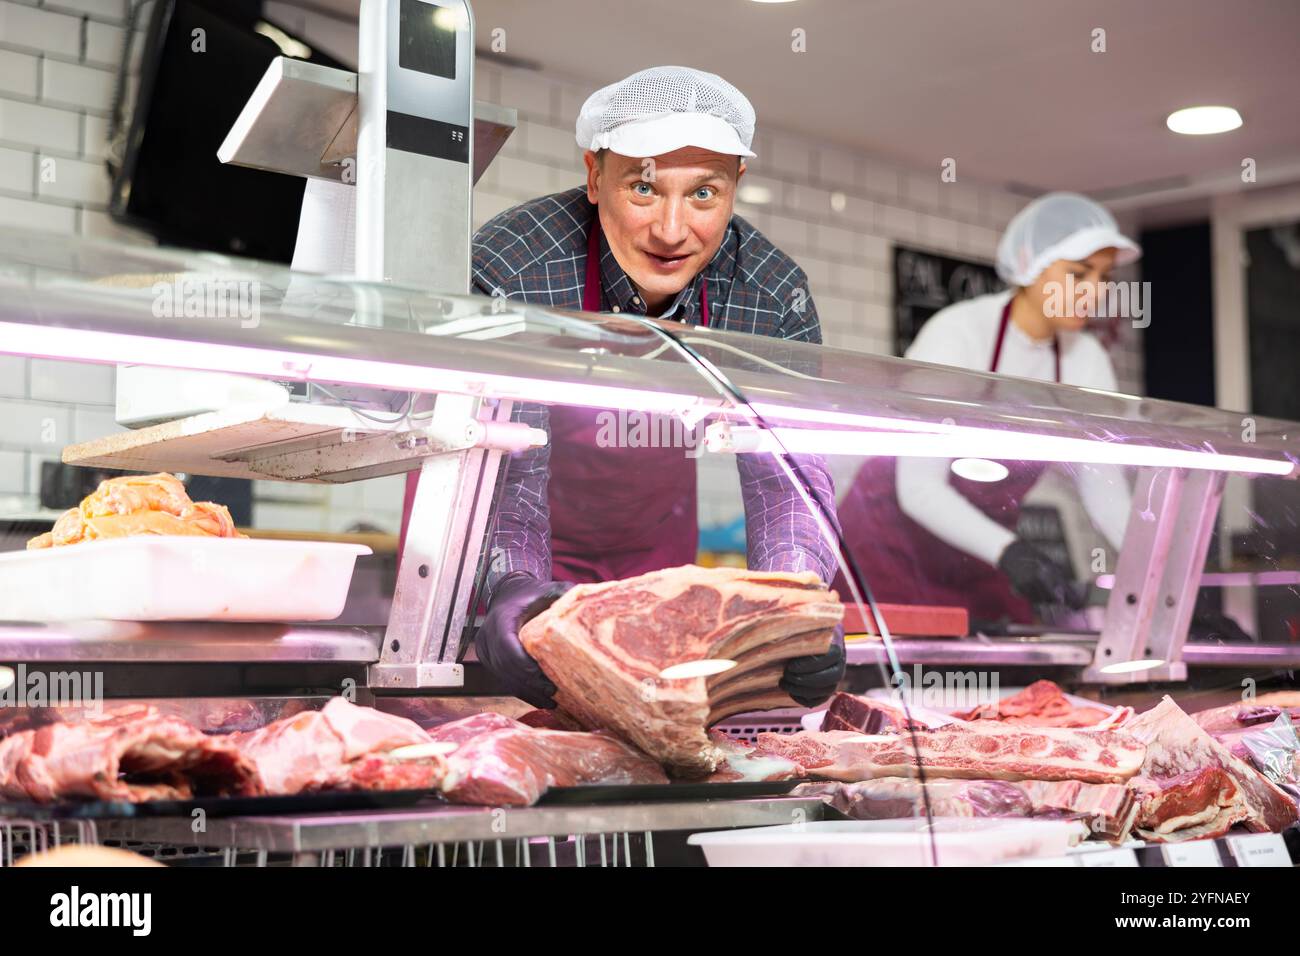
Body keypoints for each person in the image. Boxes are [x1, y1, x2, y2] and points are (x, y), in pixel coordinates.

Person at [467, 67, 845, 708]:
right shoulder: (515, 265)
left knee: (648, 729)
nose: (672, 231)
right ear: (594, 176)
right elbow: (507, 454)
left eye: (704, 194)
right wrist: (511, 587)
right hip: (508, 535)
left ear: (736, 187)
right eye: (643, 188)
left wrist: (796, 599)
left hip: (654, 554)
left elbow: (787, 473)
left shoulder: (770, 295)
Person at [837, 193, 1139, 628]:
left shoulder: (1085, 359)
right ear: (1029, 264)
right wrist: (1010, 551)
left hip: (980, 556)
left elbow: (1105, 492)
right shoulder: (958, 335)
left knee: (1002, 678)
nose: (1095, 292)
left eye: (1105, 277)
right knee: (895, 683)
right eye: (1077, 274)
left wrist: (1164, 583)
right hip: (891, 548)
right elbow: (918, 488)